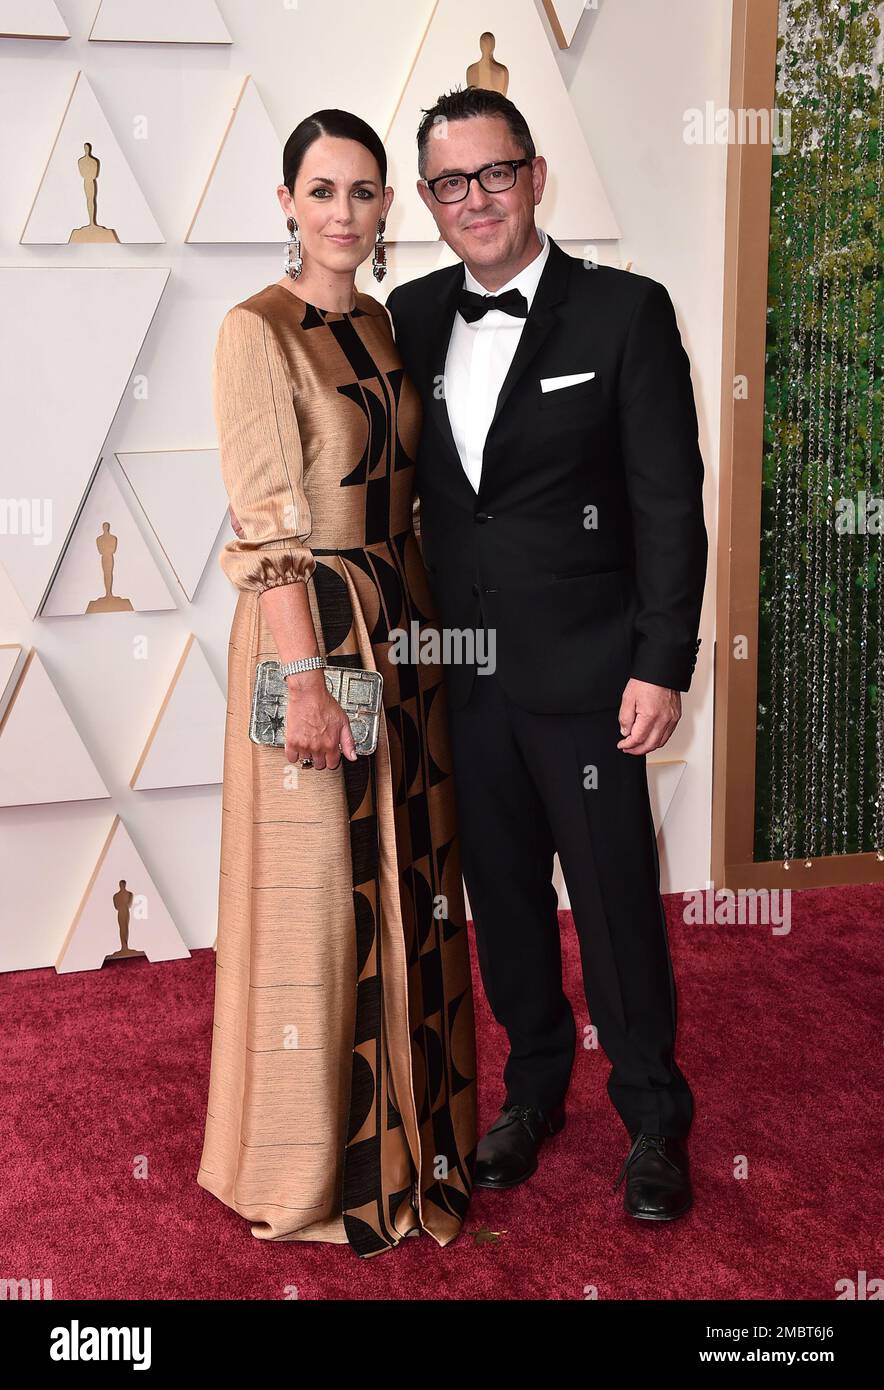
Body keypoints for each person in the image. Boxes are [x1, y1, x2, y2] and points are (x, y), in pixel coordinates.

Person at [386, 87, 707, 1222]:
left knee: (615, 907)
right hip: (461, 680)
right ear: (427, 200)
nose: (475, 199)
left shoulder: (624, 312)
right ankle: (531, 1091)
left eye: (494, 173)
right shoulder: (409, 315)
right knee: (503, 902)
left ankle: (653, 1116)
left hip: (591, 680)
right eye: (450, 183)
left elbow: (668, 503)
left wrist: (661, 661)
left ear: (534, 176)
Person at [197, 109, 477, 1258]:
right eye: (321, 192)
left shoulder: (377, 320)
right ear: (284, 203)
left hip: (399, 623)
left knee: (405, 875)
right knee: (318, 894)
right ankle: (306, 1164)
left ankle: (410, 1140)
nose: (343, 213)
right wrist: (306, 680)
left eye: (363, 192)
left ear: (385, 205)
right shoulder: (254, 331)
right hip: (306, 628)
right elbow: (264, 526)